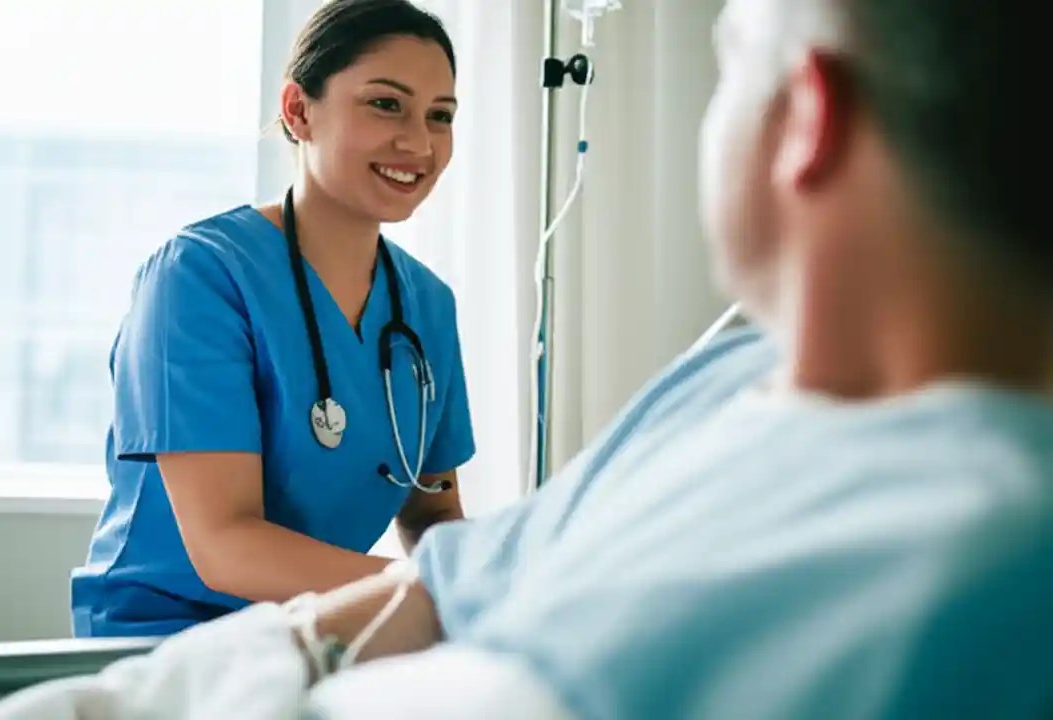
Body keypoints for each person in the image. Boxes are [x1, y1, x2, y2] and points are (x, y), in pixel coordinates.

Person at [279, 0, 1053, 717]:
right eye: (386, 105)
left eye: (728, 66)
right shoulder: (722, 377)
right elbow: (447, 583)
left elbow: (442, 572)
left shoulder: (978, 552)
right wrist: (285, 650)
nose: (418, 141)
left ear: (805, 120)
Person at [70, 0, 476, 638]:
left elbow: (432, 517)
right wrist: (443, 591)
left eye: (440, 116)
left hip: (323, 634)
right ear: (298, 110)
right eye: (385, 104)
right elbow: (226, 546)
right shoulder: (200, 277)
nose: (419, 143)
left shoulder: (427, 306)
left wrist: (496, 576)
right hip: (167, 643)